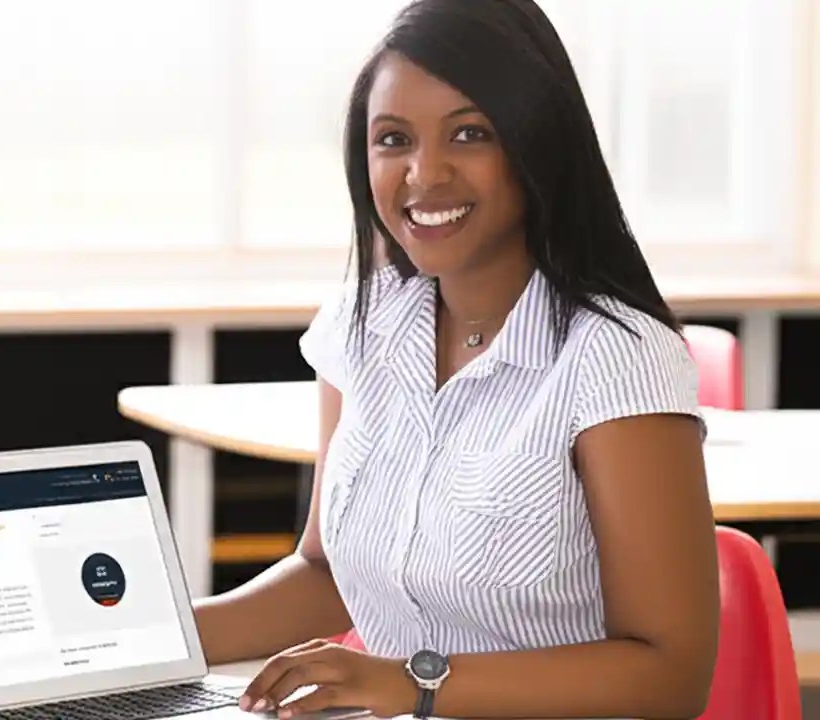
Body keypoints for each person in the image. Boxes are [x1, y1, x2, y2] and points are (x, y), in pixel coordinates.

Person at [193, 1, 719, 718]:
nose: (424, 173)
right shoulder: (364, 321)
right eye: (393, 139)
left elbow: (670, 674)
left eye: (469, 133)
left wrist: (413, 681)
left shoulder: (616, 357)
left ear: (535, 143)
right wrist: (154, 640)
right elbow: (327, 575)